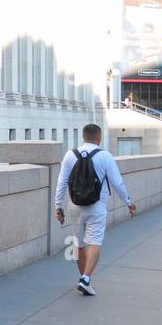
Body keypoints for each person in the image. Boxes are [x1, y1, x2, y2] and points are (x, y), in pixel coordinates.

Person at [54, 123, 136, 297]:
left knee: (78, 242)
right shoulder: (105, 156)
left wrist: (58, 206)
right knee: (95, 242)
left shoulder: (70, 155)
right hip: (97, 205)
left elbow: (61, 182)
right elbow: (117, 183)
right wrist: (128, 202)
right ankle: (86, 278)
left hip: (75, 205)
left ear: (83, 137)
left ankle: (83, 278)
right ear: (99, 138)